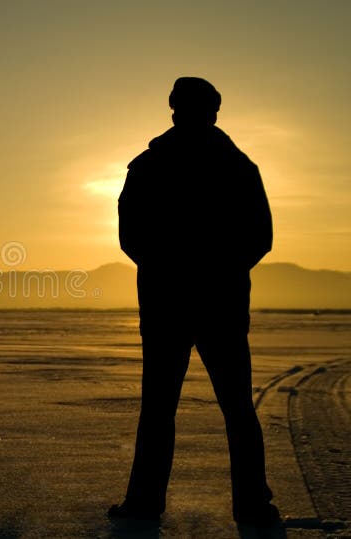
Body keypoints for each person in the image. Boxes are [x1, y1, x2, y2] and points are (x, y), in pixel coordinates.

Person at [109, 77, 279, 526]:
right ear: (213, 112)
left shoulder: (153, 165)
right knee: (229, 408)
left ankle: (147, 505)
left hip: (178, 303)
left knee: (172, 410)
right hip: (208, 303)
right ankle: (251, 507)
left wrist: (172, 268)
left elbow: (133, 237)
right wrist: (218, 269)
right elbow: (259, 238)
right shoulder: (234, 166)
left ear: (175, 108)